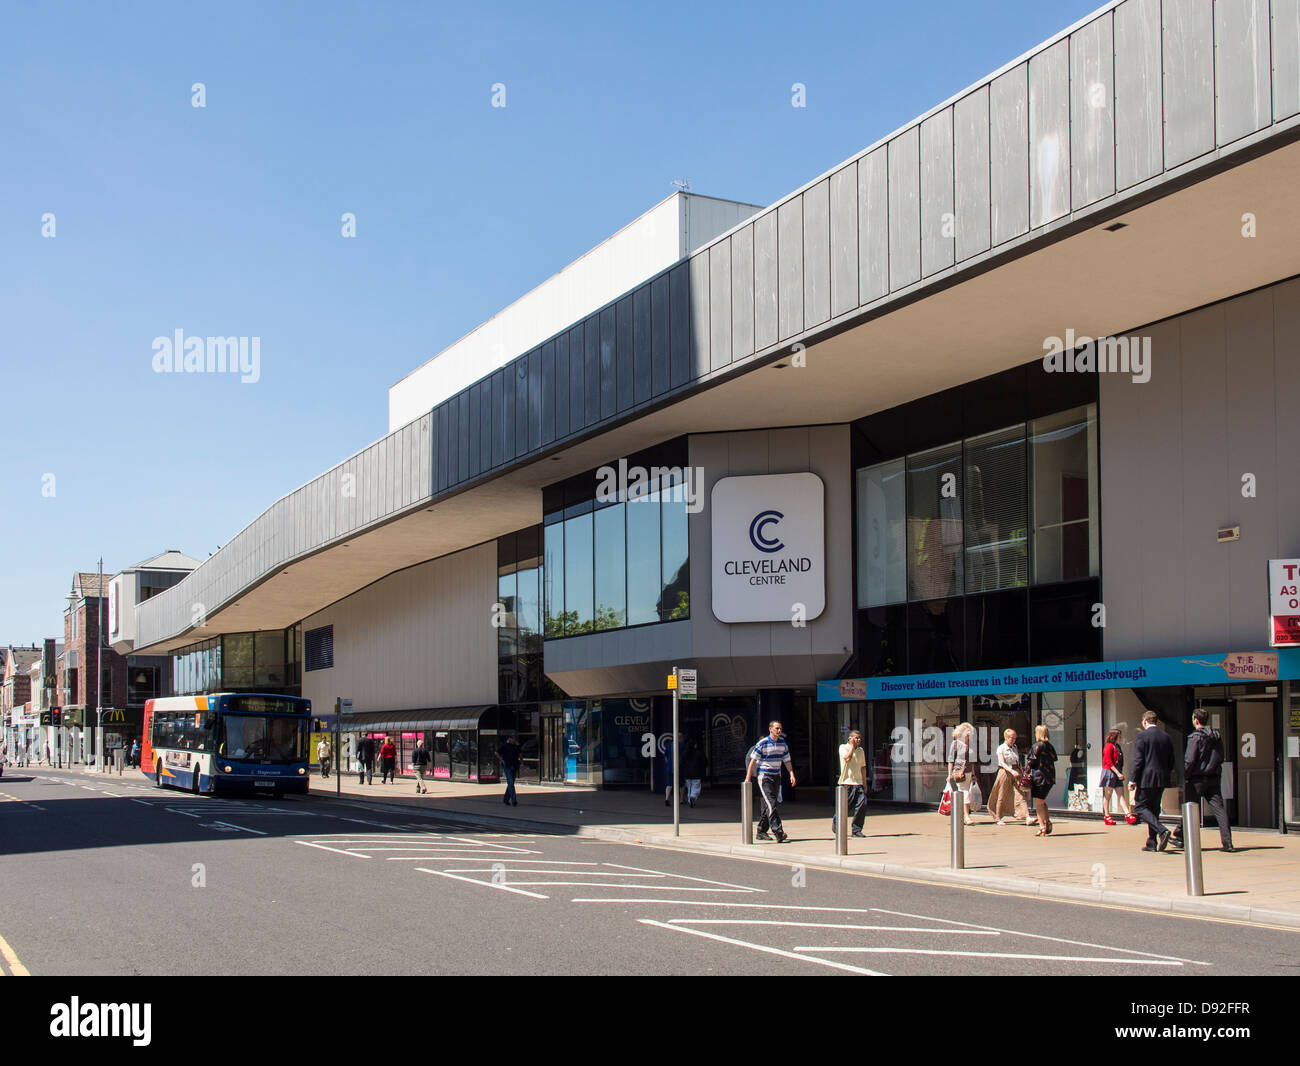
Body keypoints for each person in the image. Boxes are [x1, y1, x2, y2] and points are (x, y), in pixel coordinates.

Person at [1172, 708, 1234, 853]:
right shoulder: (1217, 736)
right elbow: (1221, 756)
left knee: (1189, 807)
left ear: (1195, 719)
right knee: (1219, 810)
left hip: (1196, 779)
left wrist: (1186, 775)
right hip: (1213, 777)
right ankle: (1228, 843)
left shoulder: (1195, 737)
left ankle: (1181, 837)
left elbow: (1189, 760)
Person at [1130, 710, 1174, 852]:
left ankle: (1162, 831)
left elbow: (1138, 760)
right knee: (1154, 808)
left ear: (1144, 721)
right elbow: (1171, 759)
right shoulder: (1166, 736)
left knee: (1140, 807)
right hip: (1161, 777)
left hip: (1146, 777)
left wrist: (1133, 779)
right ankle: (1152, 842)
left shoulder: (1142, 736)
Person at [745, 721, 796, 843]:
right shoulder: (762, 743)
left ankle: (761, 831)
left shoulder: (783, 743)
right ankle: (778, 831)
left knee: (770, 804)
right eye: (777, 728)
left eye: (780, 728)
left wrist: (791, 774)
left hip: (776, 776)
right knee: (771, 803)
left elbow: (787, 760)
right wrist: (748, 778)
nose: (779, 731)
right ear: (770, 729)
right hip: (764, 777)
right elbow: (752, 760)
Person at [988, 728, 1032, 826]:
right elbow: (1002, 763)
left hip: (1016, 772)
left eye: (1015, 738)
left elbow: (1017, 761)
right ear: (1006, 738)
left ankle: (1027, 817)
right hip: (1005, 772)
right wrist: (1011, 771)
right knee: (1001, 795)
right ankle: (998, 817)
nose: (1014, 740)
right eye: (1012, 738)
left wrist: (1021, 771)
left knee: (1021, 793)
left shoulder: (1014, 747)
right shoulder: (1001, 748)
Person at [832, 729, 868, 838]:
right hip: (846, 783)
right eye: (856, 738)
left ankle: (856, 830)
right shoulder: (843, 747)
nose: (858, 740)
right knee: (844, 807)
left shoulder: (861, 751)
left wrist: (865, 783)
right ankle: (836, 823)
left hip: (858, 783)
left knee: (862, 805)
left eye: (859, 738)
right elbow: (847, 758)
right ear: (850, 738)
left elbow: (863, 767)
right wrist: (852, 747)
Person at [1099, 728, 1137, 826]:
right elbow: (1108, 761)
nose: (1120, 738)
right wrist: (1117, 773)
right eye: (1119, 736)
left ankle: (1127, 814)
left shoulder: (1117, 746)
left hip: (1117, 772)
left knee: (1121, 794)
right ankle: (1107, 815)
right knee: (1108, 795)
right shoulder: (1108, 746)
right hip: (1110, 772)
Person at [946, 722, 979, 826]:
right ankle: (966, 816)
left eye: (969, 732)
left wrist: (973, 775)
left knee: (965, 792)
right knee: (965, 792)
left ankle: (962, 815)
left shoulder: (971, 744)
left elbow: (972, 761)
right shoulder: (955, 744)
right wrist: (949, 774)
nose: (968, 734)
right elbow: (951, 760)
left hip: (968, 771)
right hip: (959, 772)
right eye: (967, 732)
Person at [1027, 724, 1058, 836]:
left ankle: (1042, 826)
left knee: (1038, 803)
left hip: (1039, 777)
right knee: (1042, 801)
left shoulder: (1037, 746)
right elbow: (1054, 759)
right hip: (1049, 777)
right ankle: (1047, 821)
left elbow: (1031, 761)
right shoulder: (1050, 746)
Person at [497, 733, 521, 806]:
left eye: (515, 739)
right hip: (507, 766)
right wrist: (502, 760)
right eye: (513, 739)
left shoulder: (516, 745)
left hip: (514, 766)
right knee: (510, 783)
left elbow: (520, 753)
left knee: (511, 784)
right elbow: (496, 752)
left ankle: (506, 799)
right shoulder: (505, 746)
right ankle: (514, 800)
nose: (514, 740)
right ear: (510, 739)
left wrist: (521, 761)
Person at [682, 739, 707, 808]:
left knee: (689, 787)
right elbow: (704, 762)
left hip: (687, 774)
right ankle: (692, 797)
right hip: (696, 773)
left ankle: (690, 801)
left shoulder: (684, 753)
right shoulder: (698, 753)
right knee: (696, 788)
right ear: (694, 745)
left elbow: (681, 763)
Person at [663, 732, 684, 808]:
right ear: (680, 738)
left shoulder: (668, 745)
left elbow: (665, 756)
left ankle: (666, 799)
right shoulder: (682, 745)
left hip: (669, 768)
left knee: (669, 785)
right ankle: (681, 799)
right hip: (679, 768)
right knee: (681, 784)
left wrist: (668, 763)